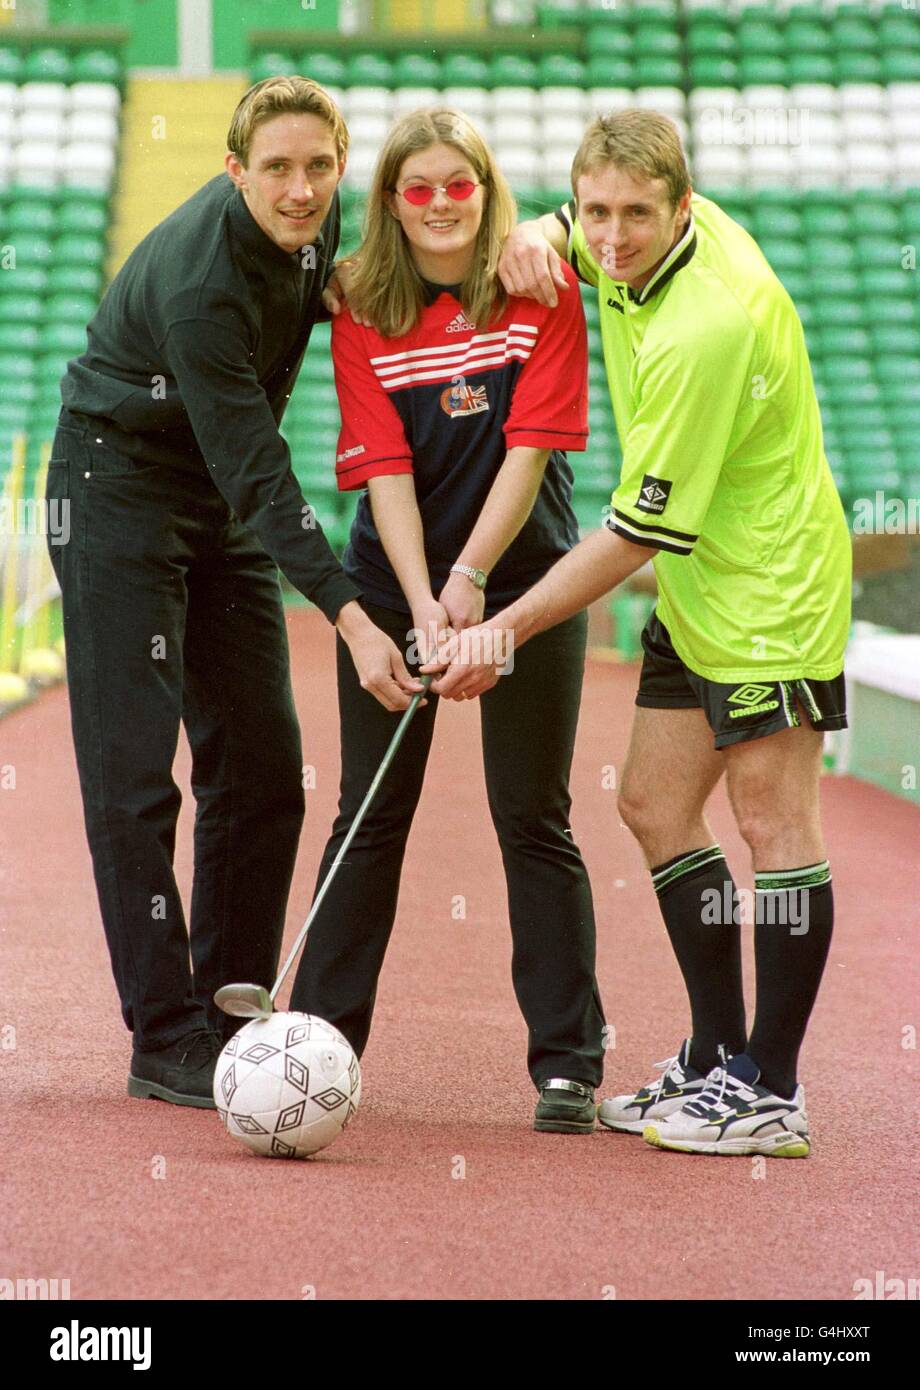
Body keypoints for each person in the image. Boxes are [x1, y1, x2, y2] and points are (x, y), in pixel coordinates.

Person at [427, 109, 851, 1157]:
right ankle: (712, 1059)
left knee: (772, 822)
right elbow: (572, 225)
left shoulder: (707, 324)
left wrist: (503, 629)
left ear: (682, 204)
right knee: (654, 804)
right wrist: (540, 228)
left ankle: (772, 1088)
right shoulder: (616, 229)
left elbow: (631, 534)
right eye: (597, 212)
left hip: (770, 590)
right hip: (700, 585)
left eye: (635, 217)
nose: (610, 239)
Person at [47, 77, 421, 1110]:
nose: (299, 191)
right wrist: (349, 613)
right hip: (117, 482)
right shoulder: (201, 288)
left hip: (215, 489)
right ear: (232, 170)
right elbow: (258, 471)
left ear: (339, 168)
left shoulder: (327, 214)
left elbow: (438, 223)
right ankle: (162, 1033)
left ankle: (229, 1010)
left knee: (261, 762)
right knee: (134, 776)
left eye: (317, 168)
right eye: (275, 170)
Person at [289, 107, 607, 1133]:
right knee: (367, 817)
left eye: (456, 186)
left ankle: (566, 1067)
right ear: (388, 199)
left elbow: (530, 447)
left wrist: (473, 589)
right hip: (394, 589)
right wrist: (423, 604)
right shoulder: (360, 308)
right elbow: (379, 463)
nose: (436, 206)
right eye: (415, 188)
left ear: (484, 188)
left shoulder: (536, 288)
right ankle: (318, 1045)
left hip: (525, 589)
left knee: (533, 818)